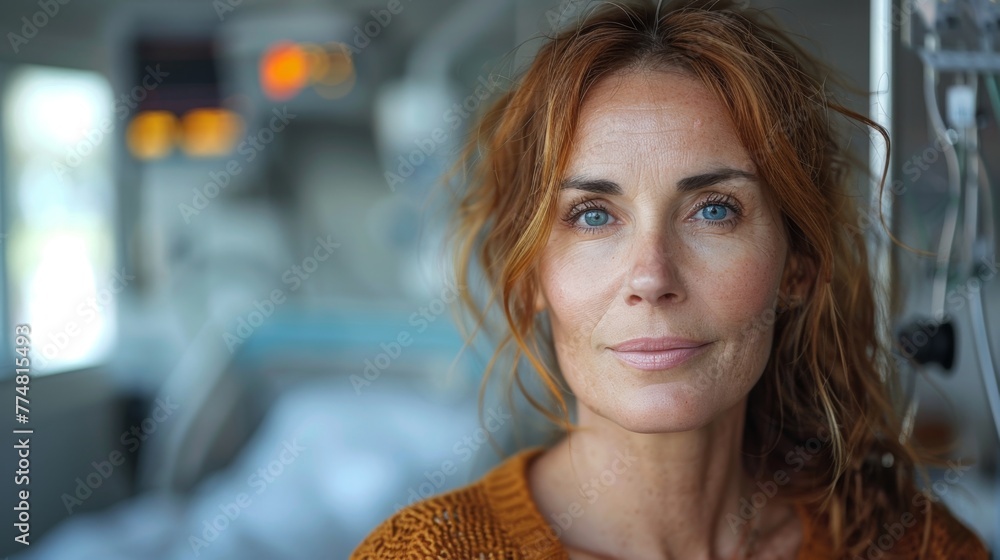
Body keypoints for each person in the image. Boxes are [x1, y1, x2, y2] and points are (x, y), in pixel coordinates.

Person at [351, 0, 992, 558]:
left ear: (799, 266)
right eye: (593, 215)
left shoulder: (916, 546)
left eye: (714, 210)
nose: (652, 276)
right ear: (529, 280)